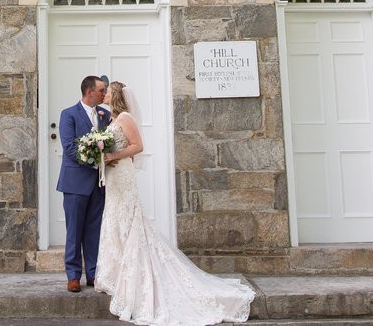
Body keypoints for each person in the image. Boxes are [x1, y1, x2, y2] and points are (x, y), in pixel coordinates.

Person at [96, 81, 255, 326]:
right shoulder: (111, 119)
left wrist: (113, 155)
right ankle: (117, 274)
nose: (103, 93)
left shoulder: (125, 117)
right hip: (114, 177)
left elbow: (138, 146)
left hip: (123, 174)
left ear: (114, 94)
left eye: (106, 91)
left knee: (128, 219)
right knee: (115, 218)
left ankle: (135, 275)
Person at [57, 74, 110, 293]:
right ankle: (73, 275)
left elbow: (112, 143)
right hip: (75, 182)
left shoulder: (105, 115)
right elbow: (70, 148)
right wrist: (96, 163)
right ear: (89, 92)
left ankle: (93, 274)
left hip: (99, 183)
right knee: (74, 230)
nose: (104, 94)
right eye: (101, 90)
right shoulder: (68, 115)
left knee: (94, 229)